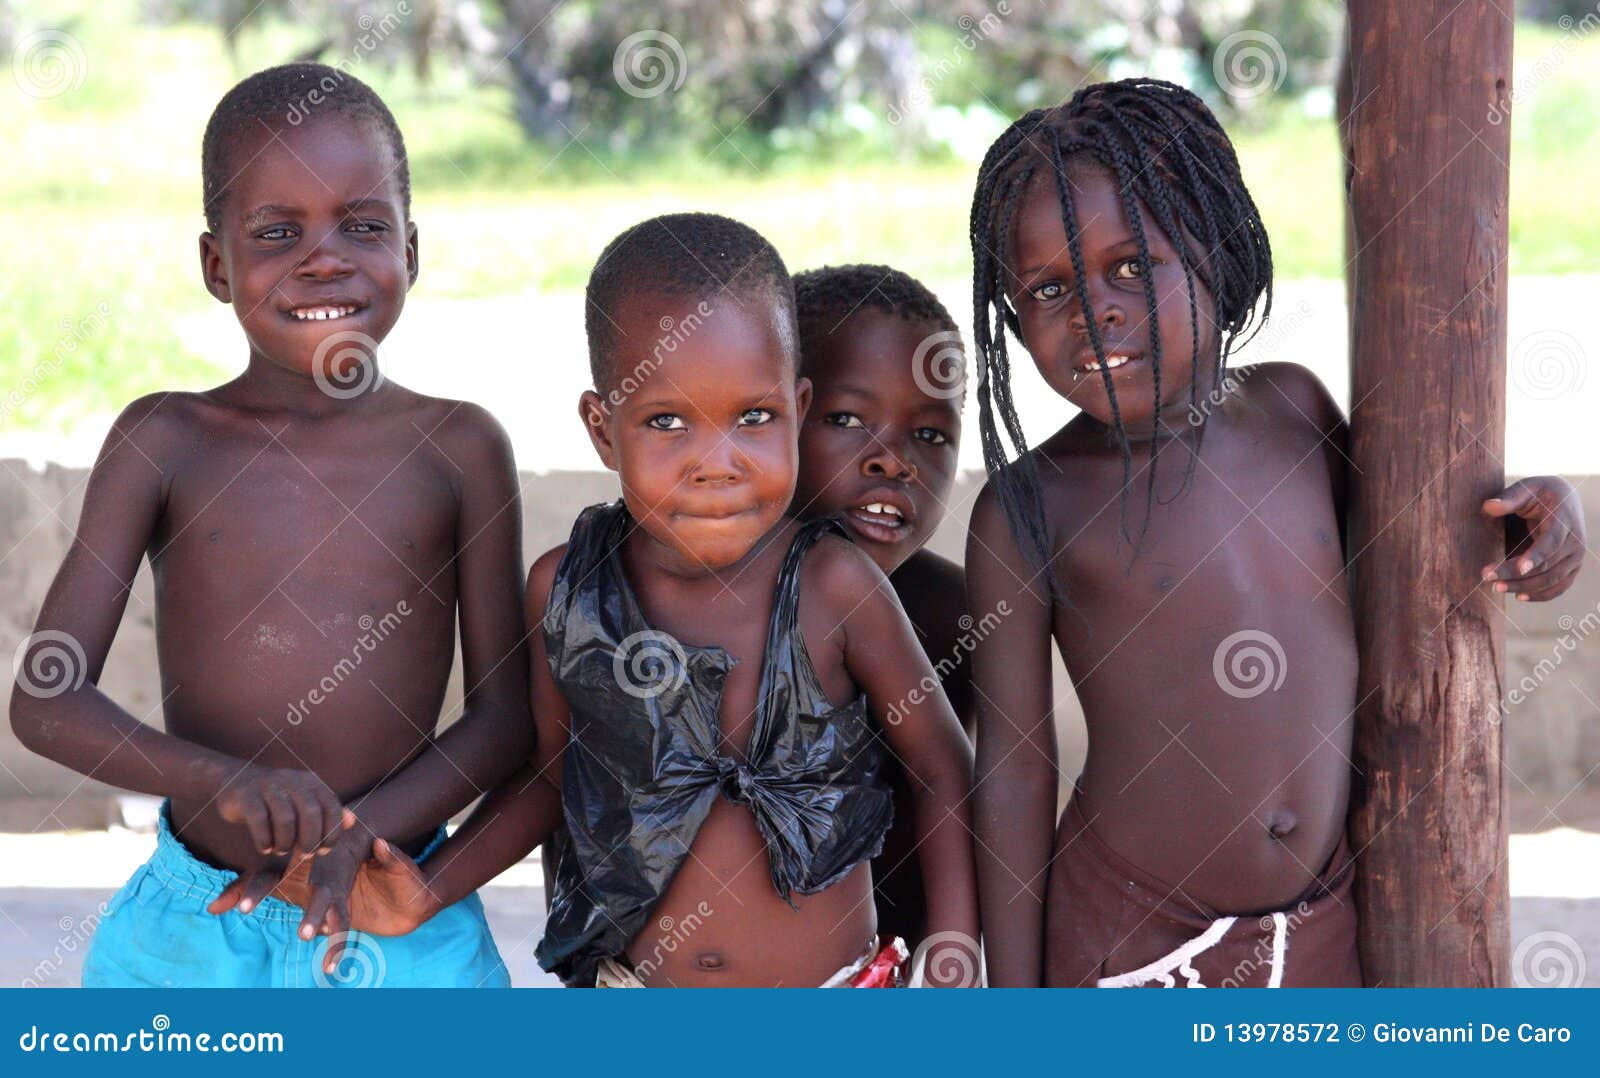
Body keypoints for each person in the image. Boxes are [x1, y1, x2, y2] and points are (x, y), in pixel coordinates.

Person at [963, 78, 1587, 987]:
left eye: (1133, 266)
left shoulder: (1293, 411)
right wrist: (1014, 1013)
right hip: (1134, 940)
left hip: (1324, 917)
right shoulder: (1030, 507)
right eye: (1050, 288)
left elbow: (1440, 547)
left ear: (1216, 251)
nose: (1094, 309)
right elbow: (1015, 775)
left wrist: (1548, 521)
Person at [290, 213, 981, 987]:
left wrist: (951, 955)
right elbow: (552, 780)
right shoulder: (571, 590)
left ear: (797, 403)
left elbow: (942, 768)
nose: (718, 464)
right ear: (602, 430)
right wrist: (430, 887)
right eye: (667, 422)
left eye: (755, 418)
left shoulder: (833, 585)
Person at [10, 63, 532, 987]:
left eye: (362, 226)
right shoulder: (163, 440)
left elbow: (504, 720)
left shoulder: (459, 447)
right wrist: (218, 779)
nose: (324, 258)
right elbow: (47, 698)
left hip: (399, 915)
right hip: (194, 926)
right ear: (218, 265)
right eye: (277, 232)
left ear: (412, 248)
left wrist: (358, 834)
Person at [789, 263, 974, 949]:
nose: (893, 461)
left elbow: (953, 814)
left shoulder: (955, 612)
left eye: (930, 435)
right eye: (845, 419)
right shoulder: (696, 601)